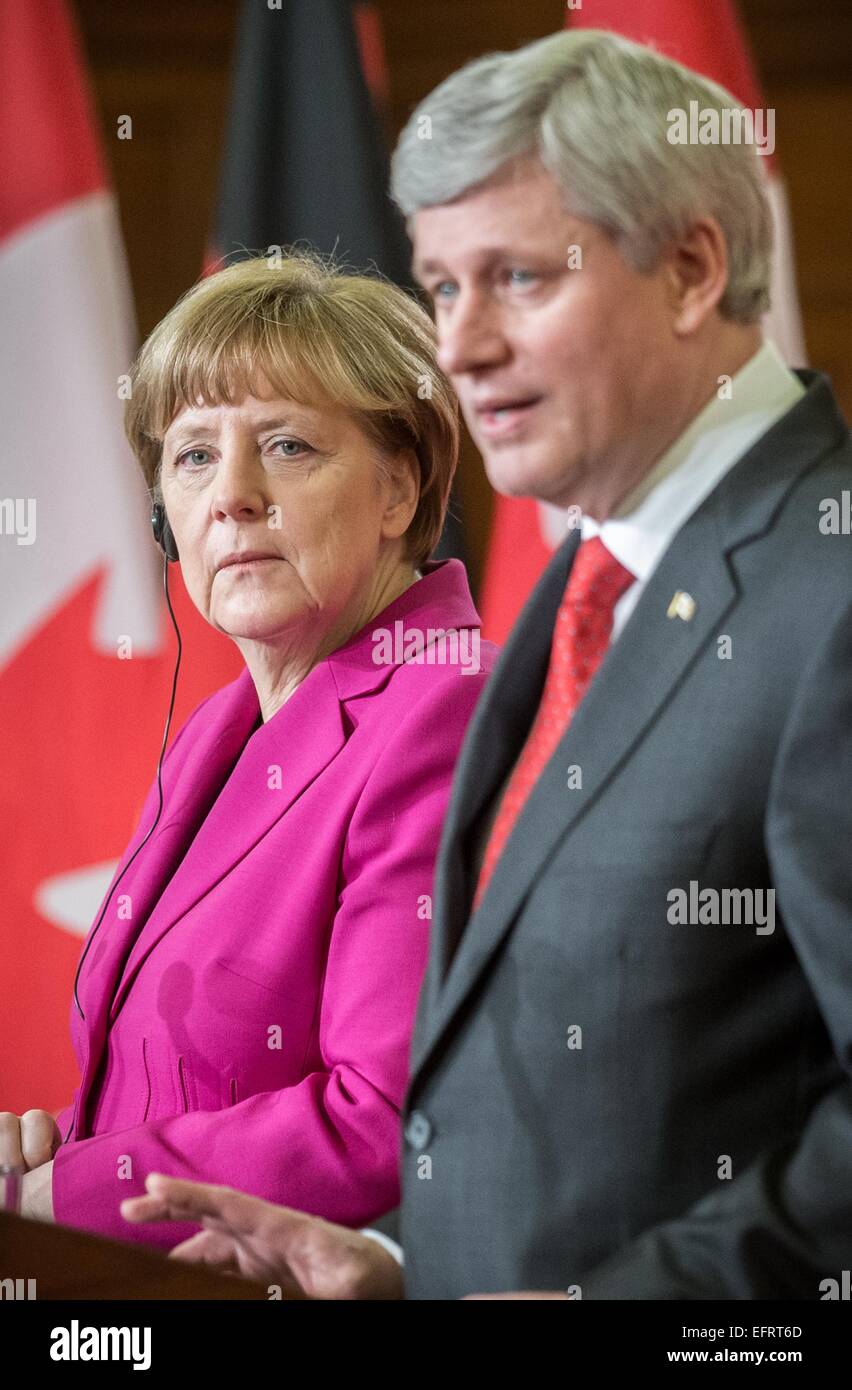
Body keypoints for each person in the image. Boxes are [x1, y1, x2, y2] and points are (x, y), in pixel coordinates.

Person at [124, 30, 852, 1297]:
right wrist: (409, 1262)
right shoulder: (586, 594)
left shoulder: (828, 590)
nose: (457, 350)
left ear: (691, 270)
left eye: (516, 278)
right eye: (443, 289)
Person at [3, 252, 496, 1248]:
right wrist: (49, 1153)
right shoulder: (214, 737)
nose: (230, 494)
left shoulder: (445, 707)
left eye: (285, 446)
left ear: (400, 491)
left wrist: (70, 1195)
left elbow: (381, 1119)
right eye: (192, 456)